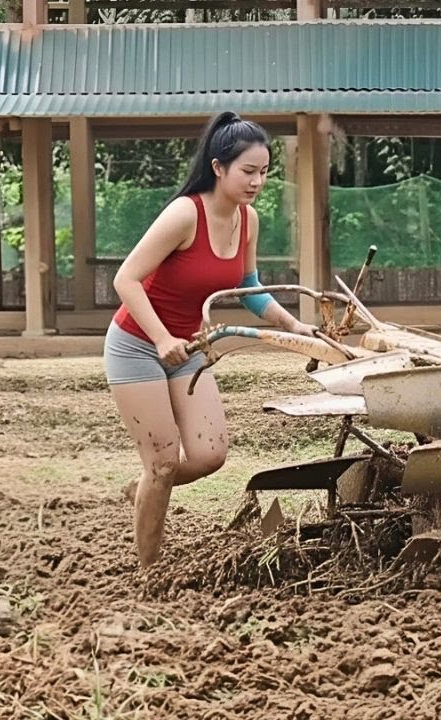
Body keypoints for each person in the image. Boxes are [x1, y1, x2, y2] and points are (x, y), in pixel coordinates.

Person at [104, 112, 315, 567]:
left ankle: (144, 487)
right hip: (138, 344)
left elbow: (249, 289)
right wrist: (161, 340)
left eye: (264, 172)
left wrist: (293, 325)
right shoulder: (185, 213)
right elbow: (126, 280)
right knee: (163, 461)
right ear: (218, 167)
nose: (257, 181)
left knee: (209, 454)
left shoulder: (248, 220)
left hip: (188, 348)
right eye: (248, 171)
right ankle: (148, 571)